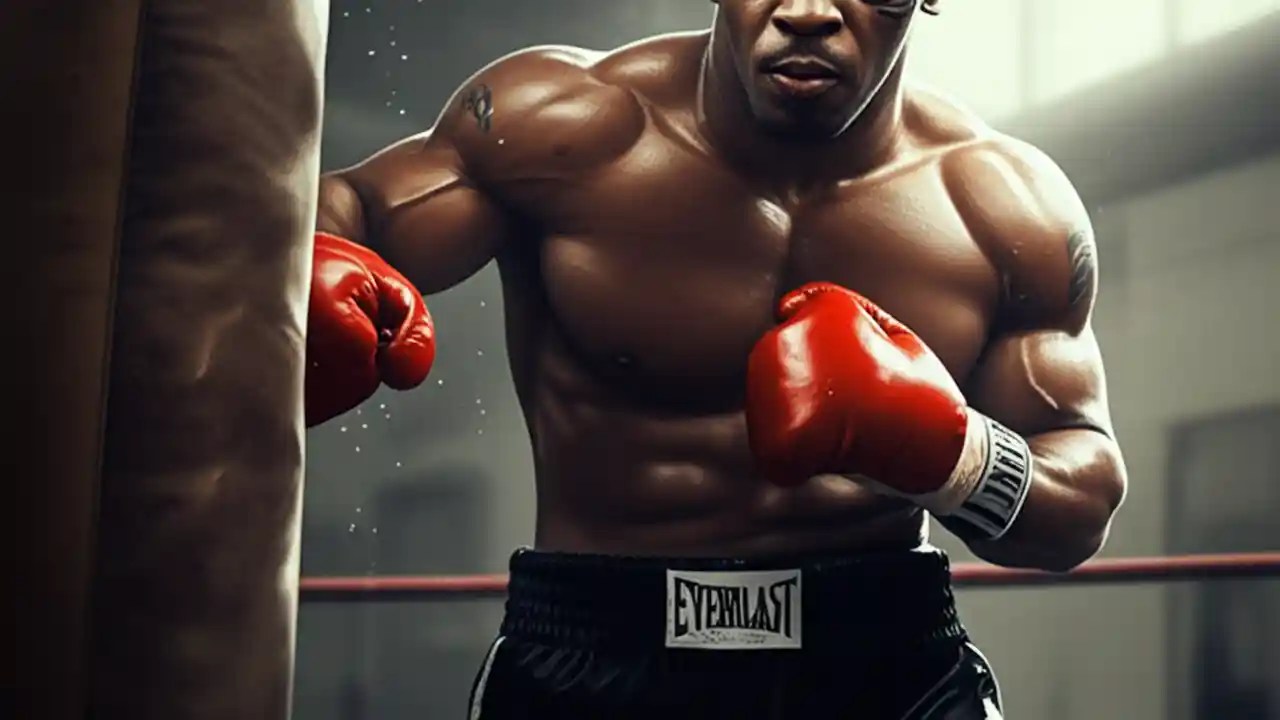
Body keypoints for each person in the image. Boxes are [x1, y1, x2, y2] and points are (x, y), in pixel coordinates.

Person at [307, 0, 1128, 716]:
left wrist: (954, 455)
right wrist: (310, 274)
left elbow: (1078, 508)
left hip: (887, 662)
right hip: (594, 658)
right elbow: (352, 208)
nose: (807, 9)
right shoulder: (559, 127)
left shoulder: (1003, 209)